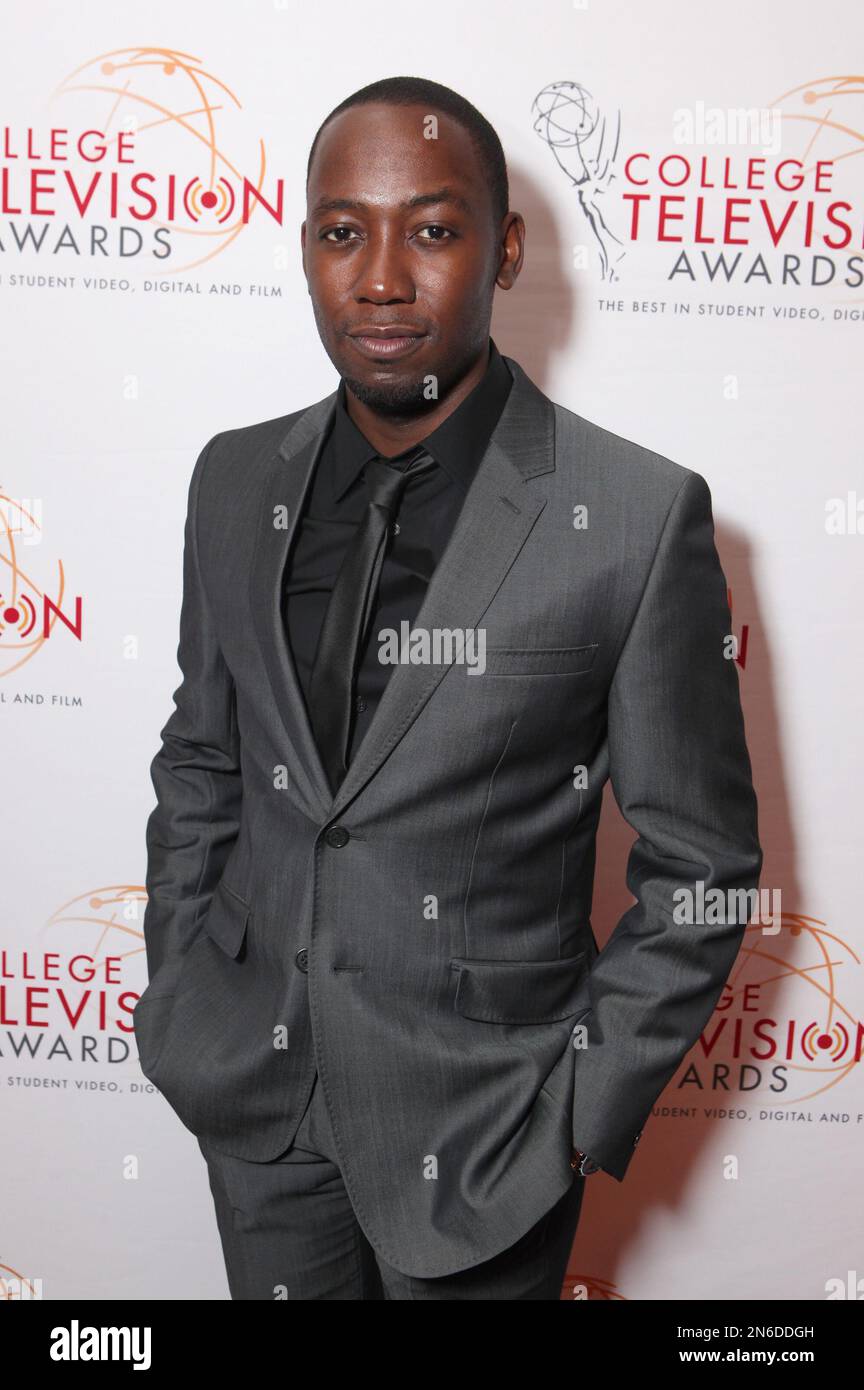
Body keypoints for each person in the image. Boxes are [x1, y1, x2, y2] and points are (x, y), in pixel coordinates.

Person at [135, 75, 762, 1300]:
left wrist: (578, 1112)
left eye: (430, 229)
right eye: (339, 231)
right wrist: (183, 980)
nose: (378, 278)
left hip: (489, 1146)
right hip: (258, 1114)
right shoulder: (230, 481)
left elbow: (702, 865)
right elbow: (203, 760)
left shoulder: (630, 518)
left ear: (505, 249)